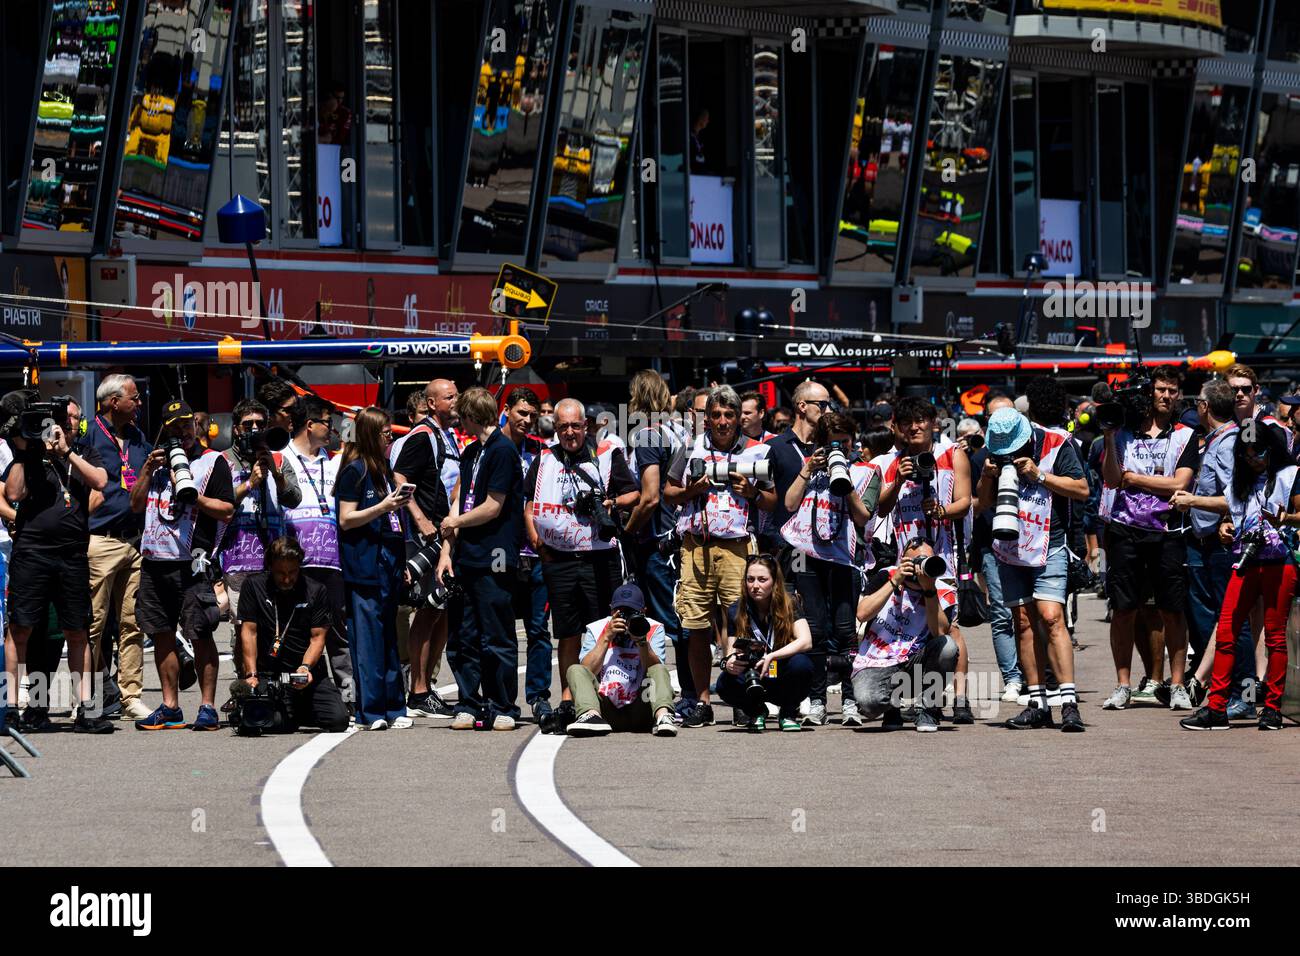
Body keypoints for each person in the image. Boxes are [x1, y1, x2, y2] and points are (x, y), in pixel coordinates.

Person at [523, 398, 638, 730]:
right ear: (555, 428)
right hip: (558, 559)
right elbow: (528, 503)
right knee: (568, 631)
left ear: (585, 426)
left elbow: (634, 494)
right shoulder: (544, 459)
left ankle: (602, 696)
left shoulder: (605, 455)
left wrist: (610, 502)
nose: (570, 433)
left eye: (575, 426)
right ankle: (569, 699)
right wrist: (536, 539)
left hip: (599, 557)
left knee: (602, 627)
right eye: (563, 427)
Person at [1176, 420, 1299, 732]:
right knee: (1228, 630)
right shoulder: (1240, 482)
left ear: (1271, 449)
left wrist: (1286, 517)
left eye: (1258, 451)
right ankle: (1217, 707)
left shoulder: (1290, 475)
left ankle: (1271, 708)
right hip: (1244, 562)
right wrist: (1227, 529)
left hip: (1278, 562)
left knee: (1274, 636)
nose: (1253, 458)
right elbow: (1230, 511)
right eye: (1245, 454)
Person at [664, 385, 776, 728]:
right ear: (707, 418)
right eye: (716, 415)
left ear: (739, 417)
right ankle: (701, 700)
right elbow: (667, 493)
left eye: (729, 415)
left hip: (737, 547)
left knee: (741, 626)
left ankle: (742, 696)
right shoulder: (691, 447)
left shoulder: (757, 451)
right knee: (696, 627)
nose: (723, 421)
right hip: (696, 546)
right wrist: (690, 491)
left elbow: (775, 502)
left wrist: (753, 492)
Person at [1, 389, 112, 733]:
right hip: (32, 552)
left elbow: (100, 481)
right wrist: (27, 450)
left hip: (72, 553)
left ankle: (87, 709)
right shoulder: (30, 455)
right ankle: (11, 708)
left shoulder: (83, 451)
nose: (68, 422)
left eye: (74, 418)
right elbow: (14, 494)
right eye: (64, 417)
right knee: (20, 628)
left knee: (77, 630)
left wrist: (66, 452)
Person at [976, 406, 1088, 732]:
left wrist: (1040, 475)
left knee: (1052, 616)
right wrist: (988, 475)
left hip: (1049, 541)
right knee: (1022, 622)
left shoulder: (1056, 443)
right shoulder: (995, 454)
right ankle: (1037, 702)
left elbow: (1081, 490)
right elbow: (983, 502)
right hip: (1010, 546)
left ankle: (1068, 702)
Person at [131, 400, 236, 731]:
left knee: (201, 632)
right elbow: (135, 504)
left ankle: (207, 706)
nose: (183, 432)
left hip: (192, 561)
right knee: (161, 633)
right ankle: (170, 706)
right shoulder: (157, 464)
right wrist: (147, 470)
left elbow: (227, 509)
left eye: (187, 425)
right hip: (154, 561)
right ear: (165, 429)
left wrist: (194, 496)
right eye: (175, 427)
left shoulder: (211, 462)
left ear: (195, 426)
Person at [1097, 366, 1197, 711]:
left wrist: (1134, 479)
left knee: (1172, 610)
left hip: (1168, 531)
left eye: (1172, 390)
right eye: (1160, 390)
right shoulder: (1123, 432)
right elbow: (1111, 480)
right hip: (1124, 529)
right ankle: (1123, 684)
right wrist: (1110, 437)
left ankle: (1178, 685)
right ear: (1148, 392)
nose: (1167, 396)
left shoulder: (1185, 435)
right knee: (1124, 609)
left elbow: (1179, 484)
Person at [875, 396, 974, 723]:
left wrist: (942, 510)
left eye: (921, 421)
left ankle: (960, 700)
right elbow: (880, 508)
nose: (915, 427)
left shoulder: (952, 454)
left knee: (948, 629)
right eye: (907, 423)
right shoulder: (891, 462)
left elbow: (965, 501)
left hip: (942, 557)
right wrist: (899, 479)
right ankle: (913, 699)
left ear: (934, 423)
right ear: (898, 429)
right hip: (905, 561)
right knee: (908, 631)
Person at [781, 411, 879, 726]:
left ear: (854, 441)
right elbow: (789, 504)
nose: (840, 449)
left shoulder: (867, 472)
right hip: (809, 557)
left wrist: (844, 481)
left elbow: (864, 517)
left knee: (846, 632)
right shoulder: (811, 470)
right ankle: (818, 700)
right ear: (821, 444)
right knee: (817, 631)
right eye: (833, 444)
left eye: (845, 443)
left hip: (845, 560)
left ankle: (850, 701)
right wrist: (807, 471)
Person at [437, 388, 525, 730]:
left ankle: (502, 703)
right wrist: (447, 550)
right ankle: (470, 702)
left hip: (497, 553)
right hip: (468, 555)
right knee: (465, 634)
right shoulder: (471, 451)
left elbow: (492, 505)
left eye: (463, 417)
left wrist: (455, 521)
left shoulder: (503, 451)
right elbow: (461, 498)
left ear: (473, 416)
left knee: (498, 632)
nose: (460, 423)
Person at [335, 407, 411, 731]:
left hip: (390, 561)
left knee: (390, 638)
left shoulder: (385, 471)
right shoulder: (354, 471)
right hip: (364, 564)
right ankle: (371, 711)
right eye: (384, 433)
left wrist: (404, 561)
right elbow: (345, 518)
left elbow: (394, 522)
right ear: (370, 435)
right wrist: (383, 506)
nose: (389, 437)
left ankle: (395, 708)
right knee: (367, 640)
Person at [84, 374, 152, 721]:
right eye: (134, 398)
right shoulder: (90, 435)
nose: (139, 403)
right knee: (94, 624)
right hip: (100, 539)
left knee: (132, 623)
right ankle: (92, 694)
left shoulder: (139, 437)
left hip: (135, 541)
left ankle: (131, 696)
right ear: (114, 402)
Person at [217, 399, 302, 674]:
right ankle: (246, 684)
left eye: (260, 424)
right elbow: (215, 503)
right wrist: (249, 484)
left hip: (273, 558)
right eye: (248, 424)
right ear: (237, 429)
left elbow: (294, 499)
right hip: (237, 559)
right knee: (244, 627)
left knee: (276, 625)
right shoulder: (223, 460)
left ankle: (274, 684)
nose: (254, 428)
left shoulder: (279, 458)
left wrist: (276, 475)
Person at [235, 536, 349, 733]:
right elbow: (249, 632)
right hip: (269, 674)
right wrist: (251, 674)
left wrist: (305, 668)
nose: (287, 579)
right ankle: (287, 713)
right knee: (266, 723)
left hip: (305, 673)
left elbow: (317, 638)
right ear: (270, 566)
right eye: (280, 573)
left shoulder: (315, 590)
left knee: (339, 720)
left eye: (292, 572)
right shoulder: (254, 586)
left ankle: (298, 710)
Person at [623, 370, 691, 702]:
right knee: (683, 614)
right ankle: (690, 689)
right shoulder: (683, 431)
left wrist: (629, 529)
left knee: (664, 619)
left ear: (638, 397)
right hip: (682, 531)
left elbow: (649, 496)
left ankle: (668, 690)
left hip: (658, 536)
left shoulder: (648, 435)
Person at [280, 395, 352, 696]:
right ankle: (292, 696)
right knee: (294, 632)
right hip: (294, 563)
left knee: (338, 633)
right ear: (309, 425)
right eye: (327, 422)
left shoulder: (334, 462)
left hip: (331, 561)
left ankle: (349, 696)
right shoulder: (280, 457)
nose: (332, 429)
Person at [392, 378, 456, 719]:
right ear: (432, 404)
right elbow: (399, 478)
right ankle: (418, 690)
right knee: (428, 609)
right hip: (425, 536)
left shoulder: (443, 436)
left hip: (442, 531)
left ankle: (424, 689)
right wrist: (419, 519)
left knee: (440, 609)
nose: (456, 401)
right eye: (449, 397)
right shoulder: (422, 436)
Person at [1171, 380, 1237, 707]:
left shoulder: (1226, 443)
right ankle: (1217, 687)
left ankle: (1236, 692)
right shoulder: (1214, 440)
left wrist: (1192, 500)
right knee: (1215, 617)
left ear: (1205, 407)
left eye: (1198, 401)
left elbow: (1233, 498)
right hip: (1206, 542)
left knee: (1230, 619)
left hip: (1221, 544)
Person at [852, 538, 960, 733]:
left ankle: (928, 708)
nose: (921, 566)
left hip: (916, 661)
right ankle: (892, 708)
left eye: (927, 560)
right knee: (869, 703)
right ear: (903, 561)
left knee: (948, 646)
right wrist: (895, 580)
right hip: (878, 660)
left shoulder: (943, 590)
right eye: (916, 561)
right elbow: (862, 613)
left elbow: (940, 633)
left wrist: (929, 590)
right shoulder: (887, 575)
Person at [501, 387, 553, 727]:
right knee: (501, 631)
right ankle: (502, 701)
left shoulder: (542, 451)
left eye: (533, 416)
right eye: (521, 413)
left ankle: (538, 697)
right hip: (501, 552)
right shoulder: (491, 448)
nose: (527, 420)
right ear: (506, 411)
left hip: (537, 554)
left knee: (538, 630)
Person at [716, 554, 815, 732]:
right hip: (754, 674)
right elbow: (730, 651)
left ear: (774, 582)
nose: (755, 586)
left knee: (803, 665)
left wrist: (772, 656)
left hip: (783, 671)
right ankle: (757, 711)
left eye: (762, 580)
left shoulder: (789, 603)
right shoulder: (735, 609)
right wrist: (729, 662)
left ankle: (788, 711)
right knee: (724, 683)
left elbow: (806, 641)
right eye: (750, 579)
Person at [565, 582, 677, 737]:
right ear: (611, 609)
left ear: (643, 611)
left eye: (632, 612)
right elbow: (586, 670)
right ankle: (591, 716)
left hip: (641, 706)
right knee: (575, 669)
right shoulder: (597, 628)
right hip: (605, 709)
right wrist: (606, 637)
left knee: (659, 669)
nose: (625, 618)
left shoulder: (653, 628)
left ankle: (663, 717)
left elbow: (655, 672)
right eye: (620, 612)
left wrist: (641, 641)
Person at [761, 380, 831, 558]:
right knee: (790, 586)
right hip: (787, 544)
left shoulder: (828, 448)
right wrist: (775, 541)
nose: (828, 411)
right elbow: (764, 499)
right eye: (823, 405)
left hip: (823, 544)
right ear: (802, 406)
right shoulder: (773, 447)